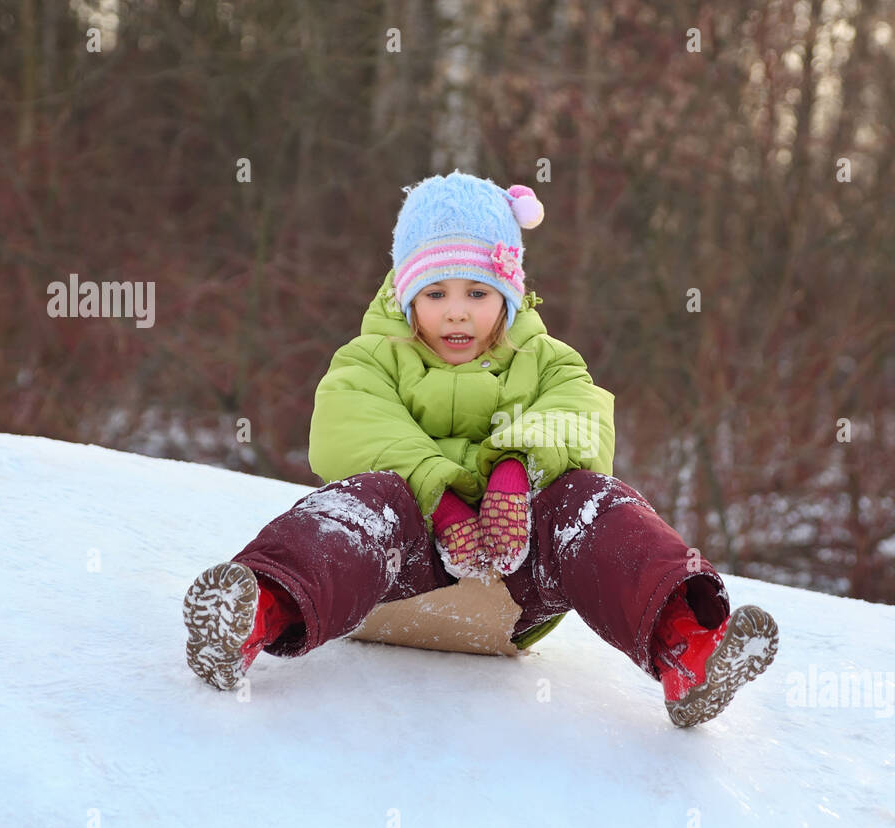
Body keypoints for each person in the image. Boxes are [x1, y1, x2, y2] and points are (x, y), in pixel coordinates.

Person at [182, 169, 777, 728]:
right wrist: (440, 499)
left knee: (589, 500)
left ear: (510, 294)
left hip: (515, 593)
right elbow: (349, 426)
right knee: (369, 498)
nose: (457, 310)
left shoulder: (548, 362)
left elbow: (583, 422)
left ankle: (686, 646)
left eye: (478, 291)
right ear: (406, 294)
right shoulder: (371, 358)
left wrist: (515, 473)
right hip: (390, 581)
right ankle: (252, 615)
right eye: (435, 292)